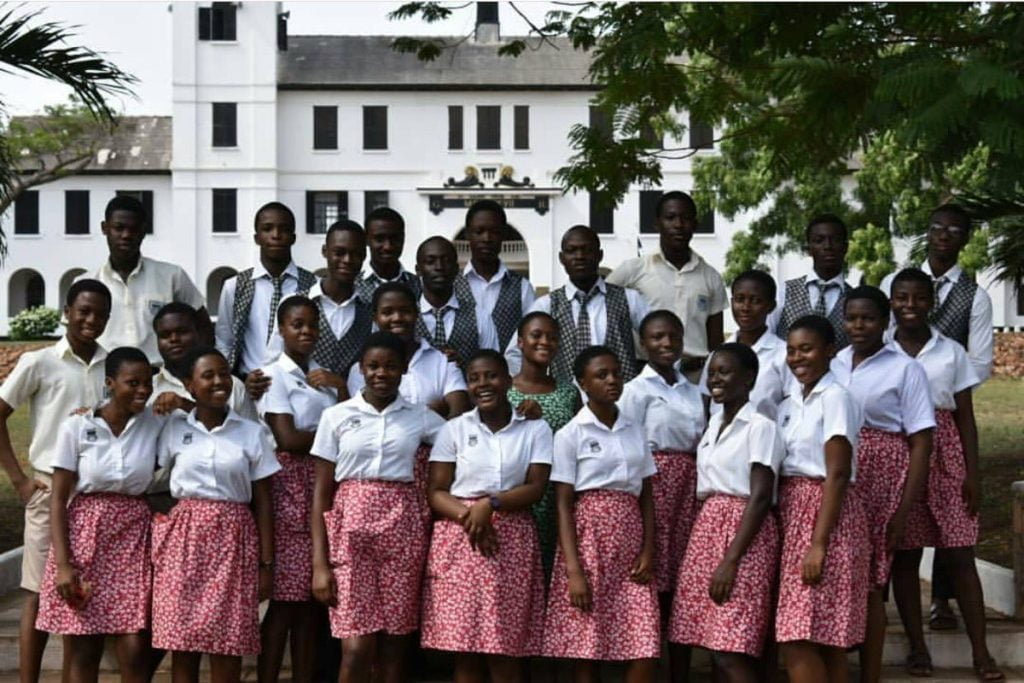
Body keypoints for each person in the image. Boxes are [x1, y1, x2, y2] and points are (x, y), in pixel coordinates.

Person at [879, 204, 994, 632]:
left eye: (955, 230)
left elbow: (979, 363)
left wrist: (938, 383)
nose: (945, 235)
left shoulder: (974, 297)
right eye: (937, 228)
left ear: (964, 238)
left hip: (944, 414)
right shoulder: (893, 282)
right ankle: (901, 628)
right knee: (901, 537)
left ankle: (944, 604)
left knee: (954, 530)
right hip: (896, 430)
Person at [886, 269, 1003, 681]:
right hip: (900, 454)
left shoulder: (950, 351)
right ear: (891, 302)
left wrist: (973, 473)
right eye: (901, 298)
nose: (910, 306)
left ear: (930, 303)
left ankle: (982, 652)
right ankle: (917, 648)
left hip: (946, 452)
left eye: (919, 298)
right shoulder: (880, 352)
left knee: (959, 553)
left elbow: (966, 418)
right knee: (905, 554)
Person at [310, 332, 446, 683]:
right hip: (350, 534)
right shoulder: (337, 416)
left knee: (394, 647)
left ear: (402, 371)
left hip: (402, 532)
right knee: (357, 648)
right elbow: (322, 495)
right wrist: (320, 565)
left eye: (390, 366)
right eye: (373, 366)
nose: (381, 373)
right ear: (361, 370)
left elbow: (465, 436)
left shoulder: (420, 417)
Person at [0, 278, 111, 683]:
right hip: (48, 490)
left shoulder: (111, 364)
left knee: (77, 595)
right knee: (37, 592)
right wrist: (20, 481)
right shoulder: (40, 362)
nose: (90, 320)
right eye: (83, 311)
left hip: (93, 496)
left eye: (99, 313)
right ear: (66, 312)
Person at [421, 350, 552, 682]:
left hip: (511, 539)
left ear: (508, 380)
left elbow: (536, 486)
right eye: (475, 378)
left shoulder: (535, 429)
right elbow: (436, 491)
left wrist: (490, 505)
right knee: (465, 650)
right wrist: (472, 515)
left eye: (492, 376)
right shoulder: (454, 429)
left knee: (504, 649)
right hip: (461, 538)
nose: (483, 384)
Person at [151, 347, 279, 683]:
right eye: (208, 375)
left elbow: (264, 501)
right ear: (190, 385)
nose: (219, 381)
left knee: (229, 642)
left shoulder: (251, 432)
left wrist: (266, 564)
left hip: (234, 541)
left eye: (224, 374)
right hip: (184, 543)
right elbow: (145, 471)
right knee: (183, 641)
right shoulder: (174, 429)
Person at [35, 347, 162, 683]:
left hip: (134, 539)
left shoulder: (157, 422)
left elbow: (204, 413)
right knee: (84, 647)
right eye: (132, 382)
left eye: (148, 383)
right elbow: (59, 498)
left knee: (135, 646)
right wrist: (64, 564)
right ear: (109, 383)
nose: (143, 390)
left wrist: (179, 403)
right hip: (84, 537)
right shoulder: (77, 426)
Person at [830, 286, 935, 683]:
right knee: (844, 573)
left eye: (868, 318)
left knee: (875, 581)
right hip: (841, 475)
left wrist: (905, 508)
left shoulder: (905, 368)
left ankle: (870, 674)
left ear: (885, 321)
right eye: (852, 318)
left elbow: (922, 439)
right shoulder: (835, 362)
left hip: (884, 477)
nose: (859, 326)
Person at [542, 346, 660, 682]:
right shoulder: (571, 434)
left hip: (630, 538)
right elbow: (563, 504)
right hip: (589, 539)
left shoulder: (635, 429)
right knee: (587, 644)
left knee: (644, 642)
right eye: (601, 375)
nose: (612, 381)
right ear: (583, 383)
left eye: (616, 373)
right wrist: (573, 568)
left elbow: (647, 496)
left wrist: (649, 550)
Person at [668, 343, 783, 682]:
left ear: (749, 377)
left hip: (742, 534)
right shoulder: (714, 422)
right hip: (707, 528)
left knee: (730, 646)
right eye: (712, 372)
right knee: (706, 639)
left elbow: (761, 496)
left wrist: (731, 560)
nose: (715, 379)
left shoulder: (760, 426)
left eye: (725, 371)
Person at [774, 315, 869, 683]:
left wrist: (818, 543)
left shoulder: (836, 398)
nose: (797, 358)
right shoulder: (790, 403)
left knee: (799, 636)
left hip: (826, 517)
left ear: (830, 351)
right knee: (819, 636)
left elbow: (838, 473)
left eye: (807, 349)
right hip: (793, 511)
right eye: (792, 351)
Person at [256, 297, 341, 683]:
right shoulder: (273, 376)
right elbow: (287, 437)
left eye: (311, 325)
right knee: (285, 605)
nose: (305, 331)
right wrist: (333, 436)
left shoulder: (322, 377)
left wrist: (339, 388)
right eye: (296, 324)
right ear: (281, 329)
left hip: (321, 481)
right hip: (291, 487)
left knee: (309, 606)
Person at [619, 311, 704, 603]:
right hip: (653, 481)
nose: (667, 343)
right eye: (657, 337)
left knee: (683, 560)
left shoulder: (693, 390)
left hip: (688, 482)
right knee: (655, 558)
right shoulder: (634, 391)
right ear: (643, 344)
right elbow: (628, 443)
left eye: (674, 336)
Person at [606, 191, 727, 379]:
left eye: (685, 218)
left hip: (695, 376)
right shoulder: (633, 271)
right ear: (657, 223)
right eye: (670, 218)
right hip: (646, 374)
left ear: (694, 225)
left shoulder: (710, 277)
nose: (678, 225)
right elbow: (602, 307)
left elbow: (716, 341)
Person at [507, 225, 649, 381]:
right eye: (572, 250)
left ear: (599, 255)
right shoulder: (546, 305)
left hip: (620, 400)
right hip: (566, 402)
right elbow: (514, 353)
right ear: (562, 258)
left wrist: (647, 385)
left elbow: (660, 339)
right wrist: (529, 389)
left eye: (587, 250)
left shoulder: (629, 299)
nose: (579, 256)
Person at [80, 195, 208, 363]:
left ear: (143, 231)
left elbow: (204, 327)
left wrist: (192, 370)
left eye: (133, 229)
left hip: (160, 379)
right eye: (119, 227)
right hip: (107, 379)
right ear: (105, 228)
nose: (126, 235)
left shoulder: (172, 276)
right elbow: (75, 338)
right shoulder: (86, 284)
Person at [260, 220, 372, 395]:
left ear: (364, 256)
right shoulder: (294, 302)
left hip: (352, 408)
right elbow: (273, 359)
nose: (347, 260)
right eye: (339, 253)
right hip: (299, 403)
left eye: (356, 254)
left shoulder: (370, 309)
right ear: (325, 252)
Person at [507, 312, 580, 579]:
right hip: (519, 493)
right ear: (520, 342)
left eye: (552, 337)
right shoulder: (505, 390)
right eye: (536, 335)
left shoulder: (569, 392)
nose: (545, 342)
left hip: (559, 493)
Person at [215, 202, 317, 378]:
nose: (276, 235)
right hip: (249, 383)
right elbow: (224, 342)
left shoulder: (313, 285)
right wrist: (234, 381)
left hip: (299, 383)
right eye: (267, 229)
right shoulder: (235, 286)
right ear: (257, 237)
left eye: (284, 229)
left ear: (293, 237)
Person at [347, 282, 469, 420]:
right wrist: (430, 414)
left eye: (405, 311)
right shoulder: (361, 370)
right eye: (387, 312)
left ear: (416, 313)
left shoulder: (442, 361)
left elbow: (459, 412)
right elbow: (365, 420)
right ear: (375, 318)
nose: (397, 318)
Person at [700, 269, 791, 420]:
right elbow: (706, 401)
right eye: (739, 299)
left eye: (755, 301)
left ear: (771, 306)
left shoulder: (783, 355)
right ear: (732, 302)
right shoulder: (719, 354)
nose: (745, 308)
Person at [150, 303, 255, 420]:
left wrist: (184, 405)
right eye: (165, 335)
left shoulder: (230, 385)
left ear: (199, 334)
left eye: (182, 332)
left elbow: (250, 434)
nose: (174, 339)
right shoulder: (149, 390)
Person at [455, 200, 537, 350]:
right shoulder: (451, 286)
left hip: (509, 372)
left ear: (504, 234)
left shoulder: (522, 288)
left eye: (494, 232)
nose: (487, 238)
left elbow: (531, 339)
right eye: (479, 231)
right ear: (467, 234)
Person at [769, 214, 852, 348]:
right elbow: (768, 338)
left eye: (835, 240)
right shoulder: (784, 291)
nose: (828, 246)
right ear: (808, 249)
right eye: (819, 240)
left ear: (845, 247)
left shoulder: (855, 299)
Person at [415, 236, 499, 364]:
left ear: (456, 269)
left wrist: (465, 366)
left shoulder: (479, 316)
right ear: (418, 270)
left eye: (446, 260)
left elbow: (492, 367)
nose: (439, 267)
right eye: (430, 261)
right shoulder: (406, 316)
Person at [354, 207, 420, 303]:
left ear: (403, 238)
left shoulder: (418, 286)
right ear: (366, 239)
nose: (388, 247)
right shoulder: (353, 287)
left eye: (394, 238)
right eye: (379, 239)